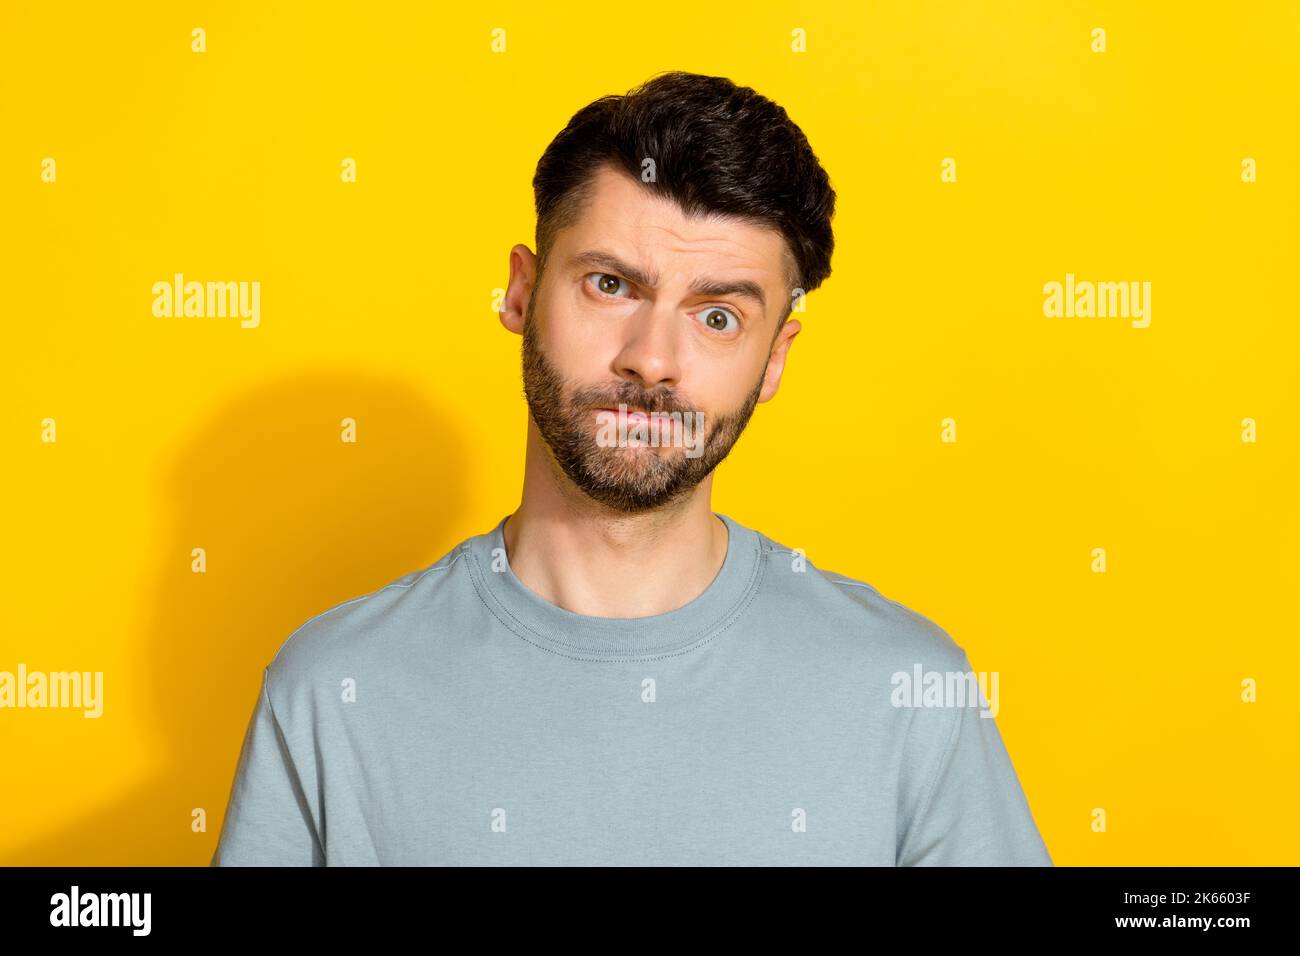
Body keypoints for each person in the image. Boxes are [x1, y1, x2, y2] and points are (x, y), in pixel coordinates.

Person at [211, 70, 1052, 866]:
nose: (653, 361)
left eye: (718, 315)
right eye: (611, 285)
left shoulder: (909, 693)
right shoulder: (334, 690)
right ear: (521, 292)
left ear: (773, 360)